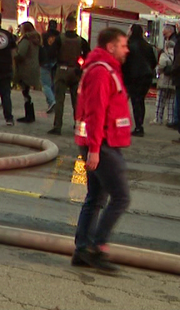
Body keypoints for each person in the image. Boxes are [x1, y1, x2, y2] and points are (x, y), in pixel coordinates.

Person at [72, 26, 132, 274]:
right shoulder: (100, 72)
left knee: (95, 198)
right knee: (121, 197)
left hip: (102, 143)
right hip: (103, 144)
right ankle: (97, 247)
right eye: (123, 45)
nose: (127, 49)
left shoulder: (104, 69)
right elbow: (95, 113)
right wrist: (94, 150)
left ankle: (82, 249)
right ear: (110, 47)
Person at [49, 16, 88, 135]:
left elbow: (51, 53)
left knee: (59, 100)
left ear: (66, 24)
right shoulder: (81, 40)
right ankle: (78, 125)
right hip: (75, 71)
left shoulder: (60, 39)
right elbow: (88, 55)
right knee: (77, 101)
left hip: (62, 70)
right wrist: (80, 65)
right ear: (75, 25)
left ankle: (57, 126)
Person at [122, 24, 155, 137]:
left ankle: (137, 127)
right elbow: (153, 61)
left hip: (133, 76)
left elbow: (125, 62)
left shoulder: (129, 45)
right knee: (140, 101)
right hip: (146, 76)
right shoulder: (147, 46)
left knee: (135, 101)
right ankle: (139, 125)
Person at [14, 21, 44, 124]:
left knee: (25, 91)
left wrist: (13, 54)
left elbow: (21, 54)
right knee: (26, 92)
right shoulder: (36, 39)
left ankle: (29, 116)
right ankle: (30, 114)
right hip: (34, 67)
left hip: (25, 68)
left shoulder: (26, 39)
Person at [153, 41, 176, 127]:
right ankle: (170, 119)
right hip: (173, 82)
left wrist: (159, 72)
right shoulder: (177, 55)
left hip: (163, 81)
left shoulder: (164, 55)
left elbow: (161, 66)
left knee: (160, 102)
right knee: (171, 102)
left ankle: (158, 119)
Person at [40, 19, 61, 111]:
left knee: (45, 84)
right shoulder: (59, 36)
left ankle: (52, 101)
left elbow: (40, 47)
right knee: (53, 83)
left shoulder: (44, 35)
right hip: (55, 61)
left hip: (44, 60)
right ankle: (52, 101)